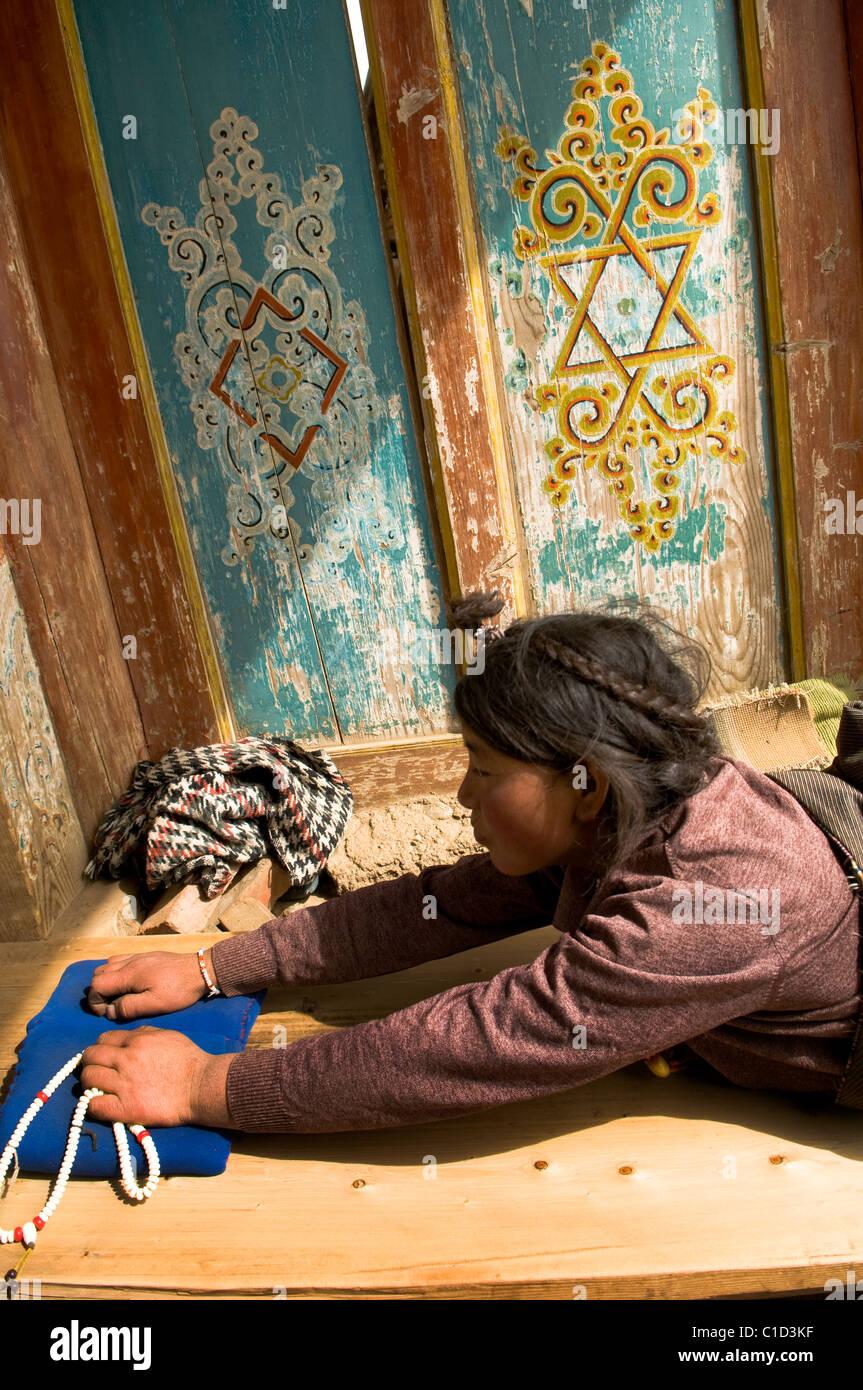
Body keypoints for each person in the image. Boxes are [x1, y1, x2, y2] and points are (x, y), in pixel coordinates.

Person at [80, 591, 861, 1133]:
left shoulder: (713, 902)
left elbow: (482, 1041)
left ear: (583, 780)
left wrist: (203, 1086)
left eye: (483, 769)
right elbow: (448, 904)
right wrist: (218, 967)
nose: (460, 794)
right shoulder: (630, 804)